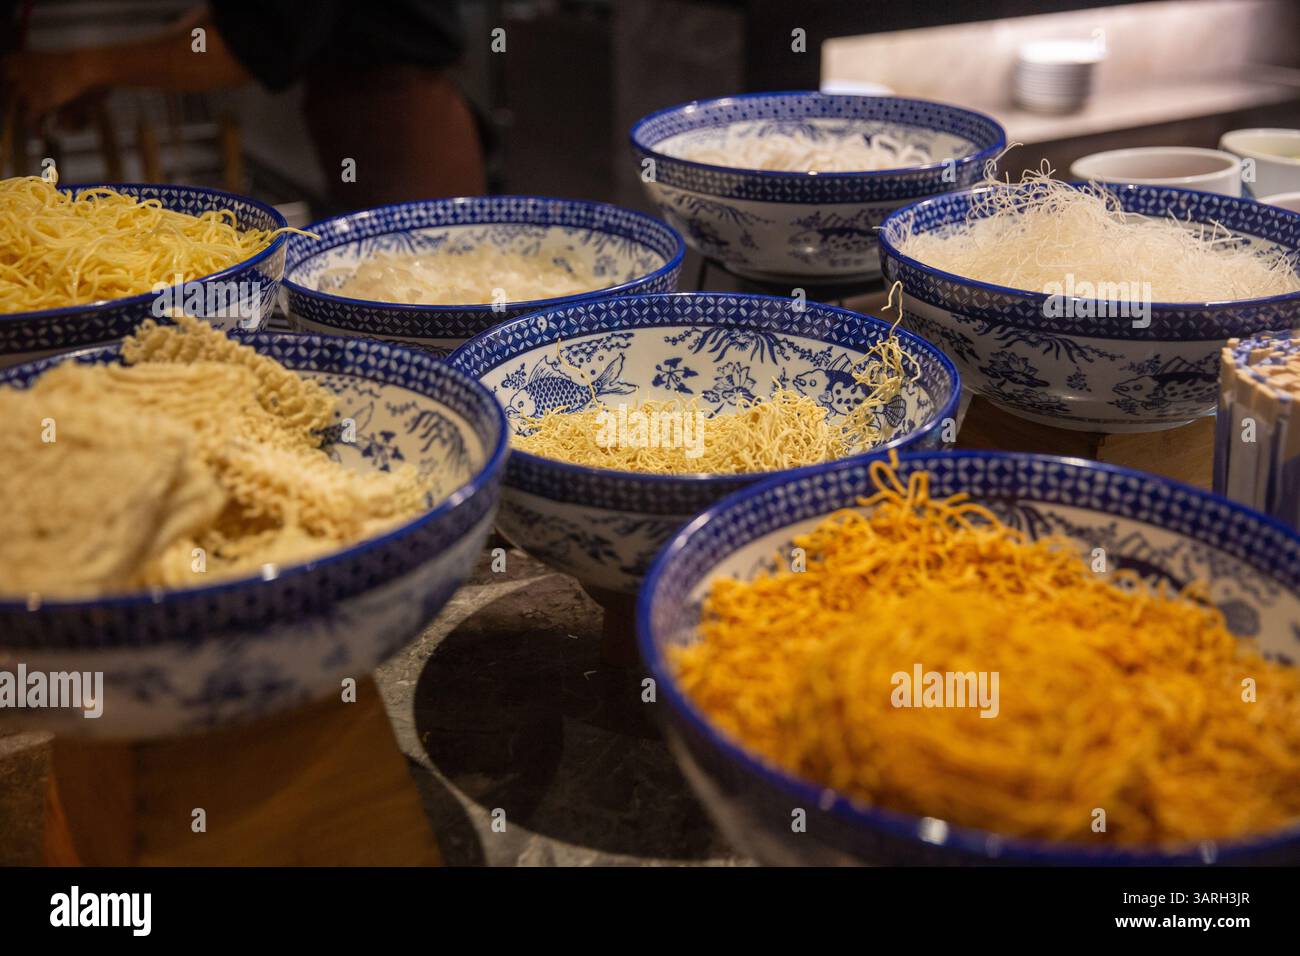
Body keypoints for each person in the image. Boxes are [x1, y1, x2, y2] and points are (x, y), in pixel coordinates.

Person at [0, 1, 486, 209]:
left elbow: (250, 46)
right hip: (353, 115)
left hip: (403, 120)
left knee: (420, 301)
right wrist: (109, 72)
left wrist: (88, 66)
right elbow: (239, 15)